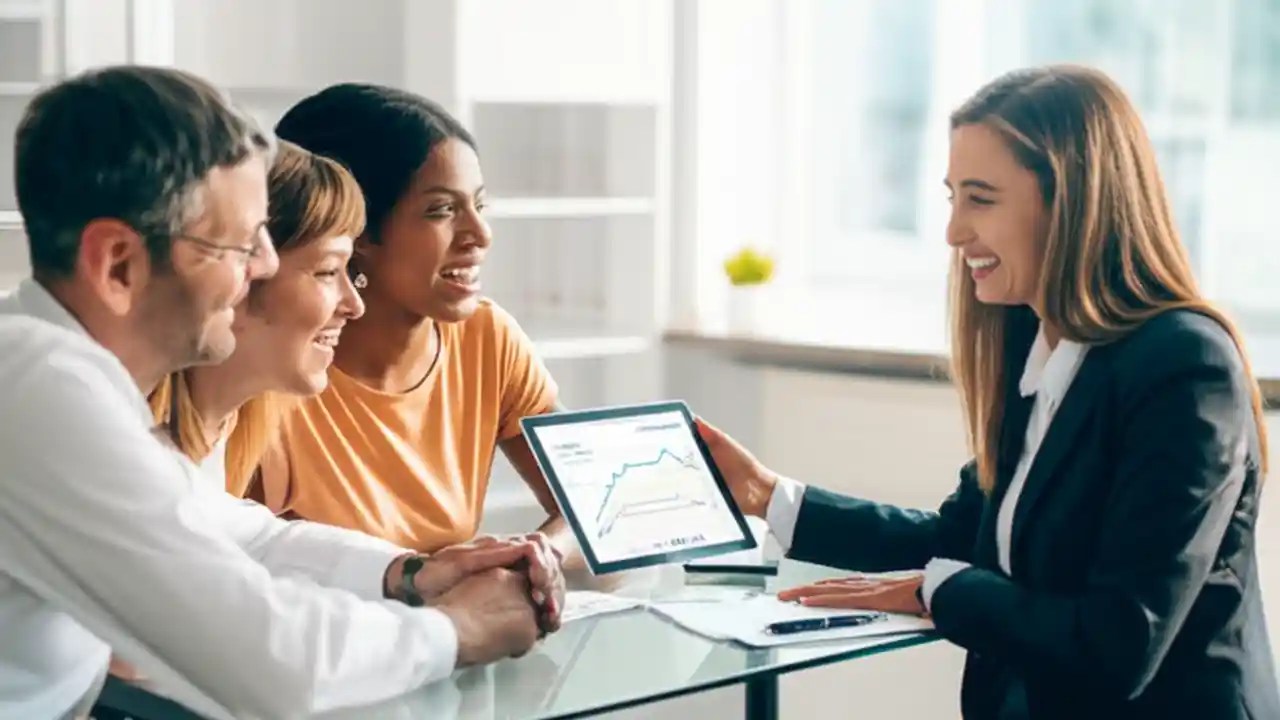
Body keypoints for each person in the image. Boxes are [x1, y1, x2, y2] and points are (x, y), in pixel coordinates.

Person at [696, 65, 1280, 719]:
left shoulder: (1185, 367)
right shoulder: (1037, 341)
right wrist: (768, 497)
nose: (953, 232)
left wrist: (940, 591)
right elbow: (967, 538)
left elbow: (1118, 644)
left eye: (980, 199)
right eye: (952, 198)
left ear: (1073, 202)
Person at [0, 66, 559, 720]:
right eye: (240, 244)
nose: (265, 267)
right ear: (117, 265)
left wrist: (413, 573)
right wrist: (457, 629)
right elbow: (271, 662)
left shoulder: (55, 377)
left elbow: (234, 532)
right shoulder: (40, 392)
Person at [147, 138, 562, 631]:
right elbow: (221, 618)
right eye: (329, 272)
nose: (353, 303)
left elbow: (252, 539)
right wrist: (455, 628)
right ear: (240, 277)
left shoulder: (226, 422)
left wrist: (420, 574)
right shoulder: (135, 439)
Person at [252, 84, 575, 560]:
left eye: (479, 205)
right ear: (354, 229)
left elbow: (598, 509)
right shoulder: (271, 365)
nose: (480, 234)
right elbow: (235, 561)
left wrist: (536, 557)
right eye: (442, 210)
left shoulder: (486, 338)